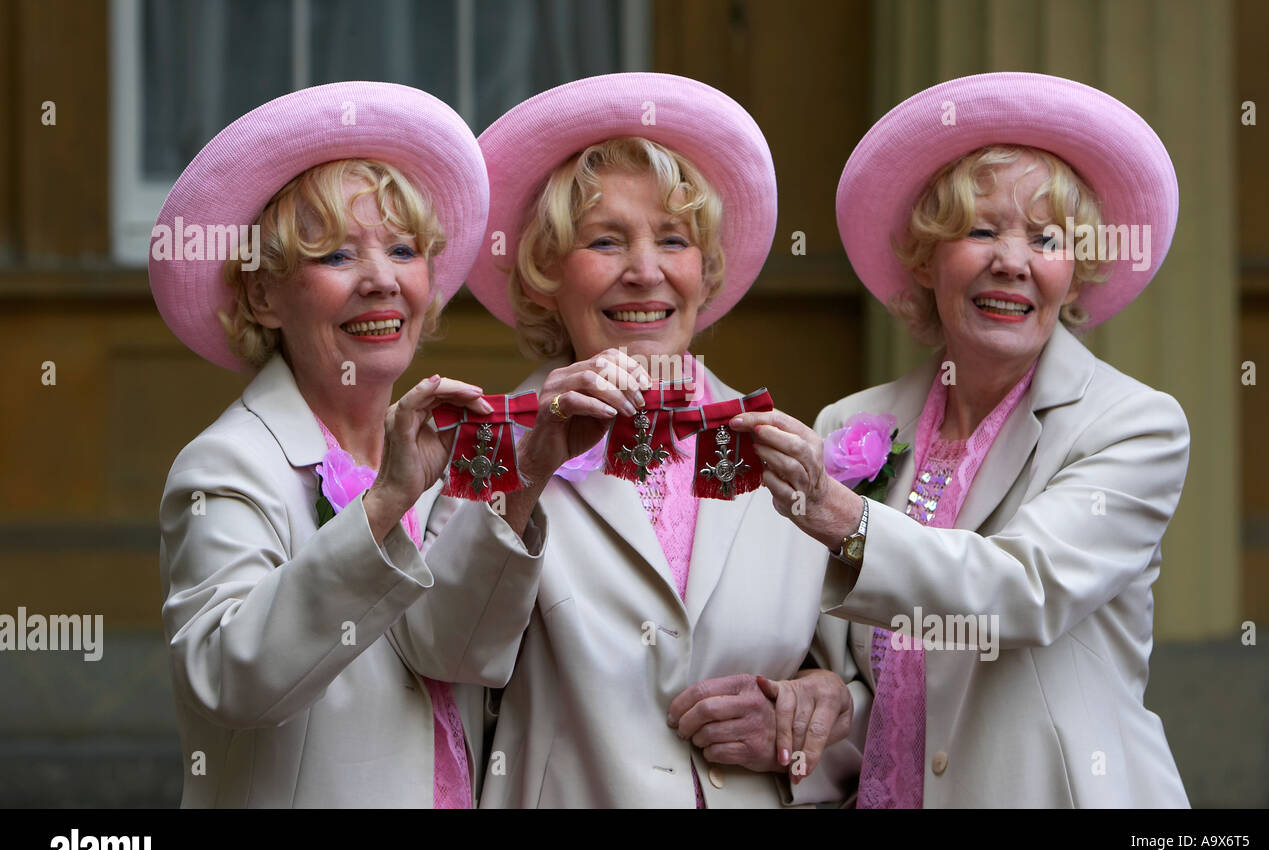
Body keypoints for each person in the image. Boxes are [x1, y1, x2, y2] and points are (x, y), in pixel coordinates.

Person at [732, 71, 1191, 807]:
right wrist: (824, 693)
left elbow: (1022, 590)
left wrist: (845, 518)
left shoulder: (1134, 424)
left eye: (1047, 239)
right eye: (981, 231)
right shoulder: (851, 426)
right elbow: (849, 659)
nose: (1012, 260)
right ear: (925, 258)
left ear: (1072, 277)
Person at [463, 72, 863, 807]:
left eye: (673, 240)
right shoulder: (496, 445)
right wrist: (528, 467)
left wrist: (806, 711)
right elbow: (448, 657)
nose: (645, 271)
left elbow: (860, 705)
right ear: (547, 271)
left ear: (704, 271)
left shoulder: (780, 446)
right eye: (605, 240)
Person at [152, 82, 546, 807]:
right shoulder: (227, 463)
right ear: (263, 296)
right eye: (336, 255)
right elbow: (226, 677)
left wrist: (528, 472)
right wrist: (385, 502)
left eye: (403, 249)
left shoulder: (434, 451)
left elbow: (461, 655)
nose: (382, 280)